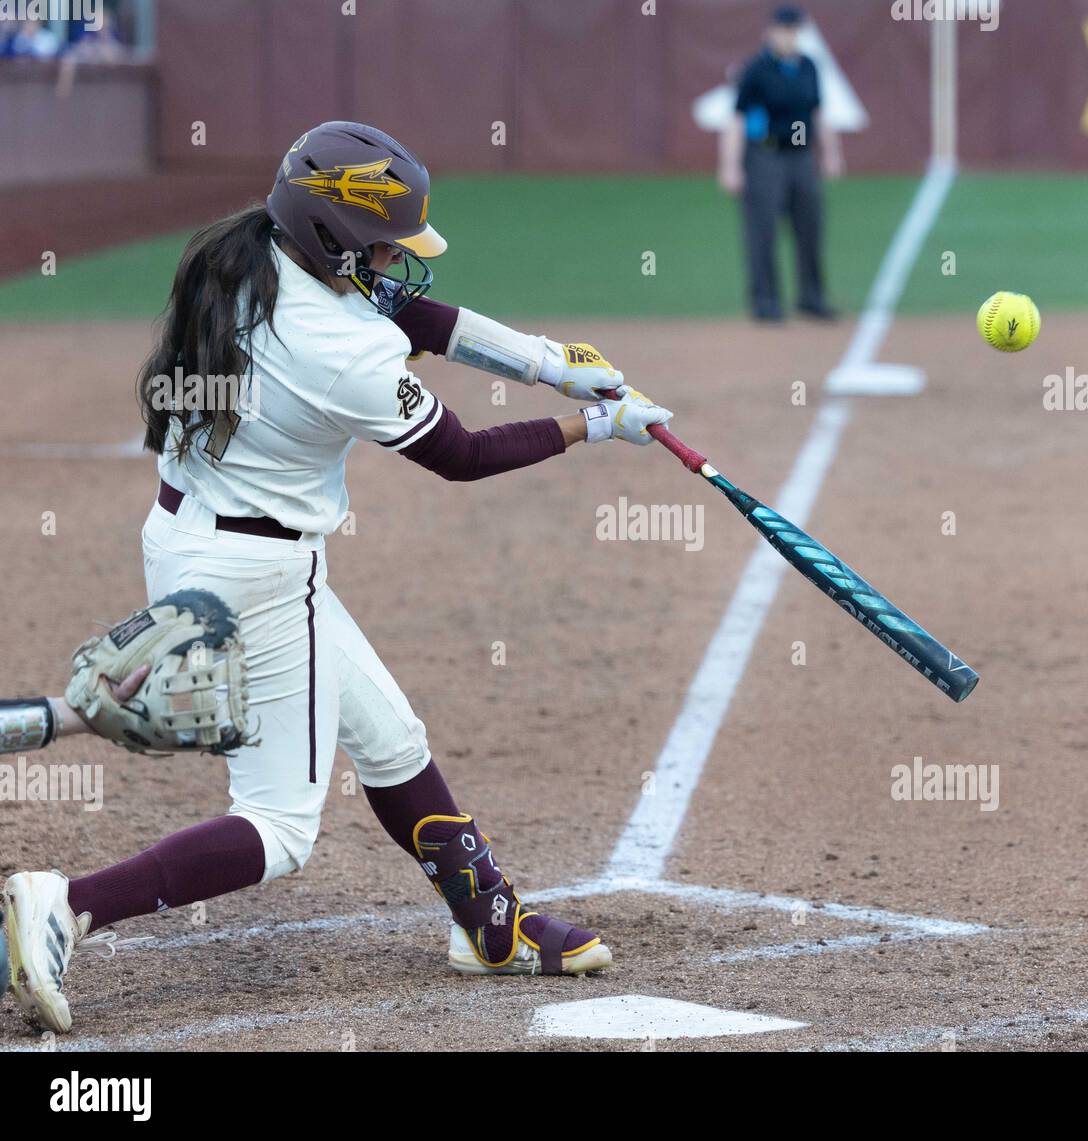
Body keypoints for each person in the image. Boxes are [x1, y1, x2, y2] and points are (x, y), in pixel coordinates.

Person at [0, 120, 673, 1034]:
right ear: (336, 238)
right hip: (265, 572)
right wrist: (595, 427)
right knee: (280, 826)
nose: (397, 258)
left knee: (391, 738)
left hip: (192, 535)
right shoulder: (340, 349)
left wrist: (552, 364)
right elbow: (463, 454)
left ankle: (490, 925)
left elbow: (412, 312)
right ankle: (68, 905)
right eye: (385, 242)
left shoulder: (245, 254)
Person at [719, 5, 844, 323]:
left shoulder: (808, 67)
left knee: (810, 225)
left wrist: (831, 153)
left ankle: (811, 297)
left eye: (793, 30)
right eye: (783, 29)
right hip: (765, 154)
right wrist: (730, 166)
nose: (788, 36)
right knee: (762, 229)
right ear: (771, 31)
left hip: (801, 156)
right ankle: (765, 301)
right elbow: (736, 118)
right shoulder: (757, 69)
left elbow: (817, 111)